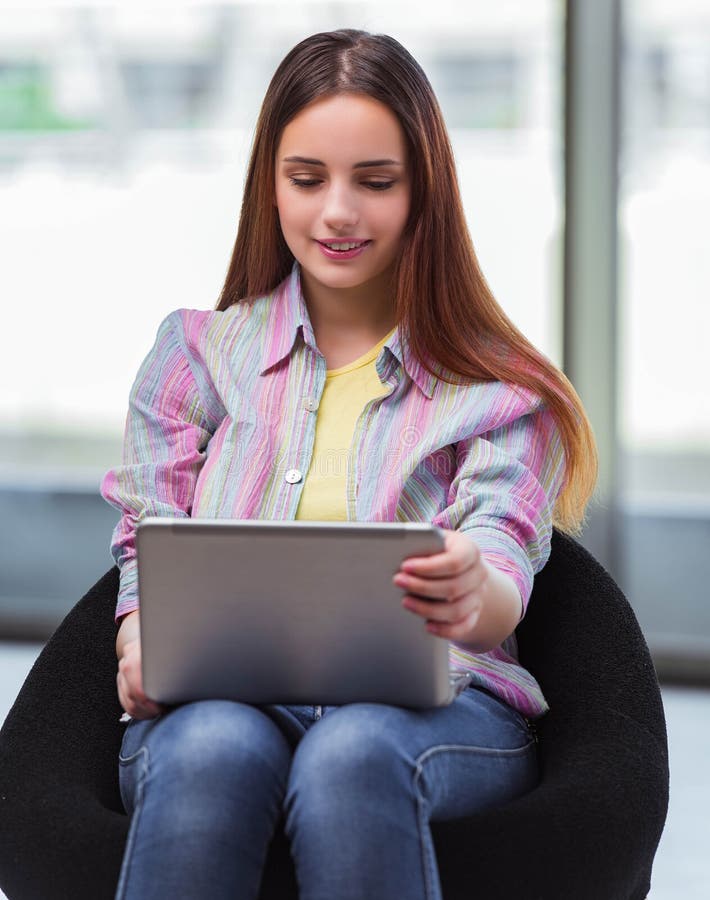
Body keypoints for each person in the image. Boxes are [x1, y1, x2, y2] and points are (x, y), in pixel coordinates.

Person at [100, 28, 597, 900]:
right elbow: (147, 546)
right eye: (307, 179)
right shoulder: (192, 359)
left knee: (352, 752)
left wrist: (468, 589)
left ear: (424, 191)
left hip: (438, 712)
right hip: (216, 707)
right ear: (270, 184)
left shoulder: (502, 391)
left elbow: (503, 568)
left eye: (375, 181)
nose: (338, 212)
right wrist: (140, 641)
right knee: (212, 745)